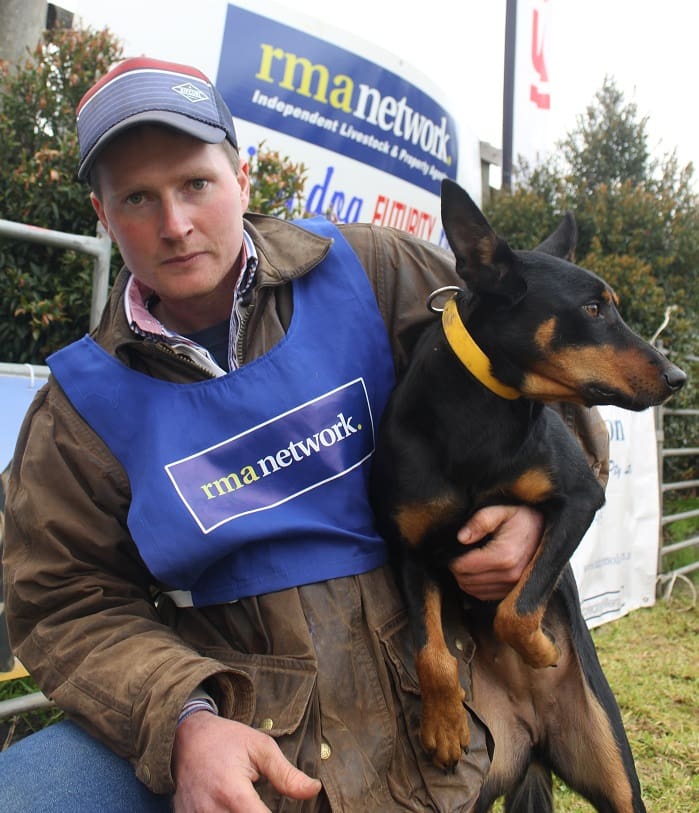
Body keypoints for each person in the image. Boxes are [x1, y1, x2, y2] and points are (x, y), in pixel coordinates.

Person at [1, 58, 608, 812]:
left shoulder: (379, 271)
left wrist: (529, 519)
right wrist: (185, 721)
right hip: (250, 727)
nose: (175, 225)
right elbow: (65, 602)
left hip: (448, 690)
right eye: (137, 198)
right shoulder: (76, 413)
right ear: (102, 214)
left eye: (196, 184)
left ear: (242, 178)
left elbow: (557, 375)